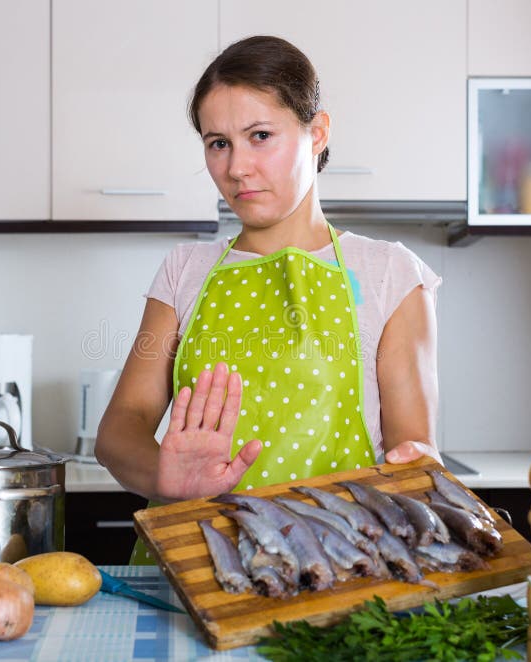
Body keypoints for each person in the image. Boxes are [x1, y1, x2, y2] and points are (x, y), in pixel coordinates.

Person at [96, 35, 442, 562]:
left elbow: (412, 454)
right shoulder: (185, 271)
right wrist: (166, 477)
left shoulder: (389, 275)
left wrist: (418, 465)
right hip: (190, 562)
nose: (236, 168)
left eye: (260, 136)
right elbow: (122, 427)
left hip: (336, 567)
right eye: (218, 143)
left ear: (317, 132)